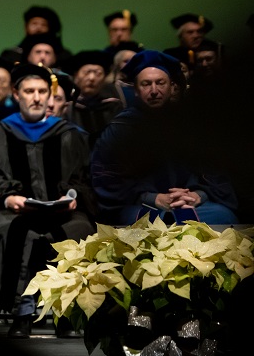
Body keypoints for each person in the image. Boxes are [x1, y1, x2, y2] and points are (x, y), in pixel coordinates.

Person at [0, 63, 96, 337]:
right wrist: (7, 198)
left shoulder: (68, 135)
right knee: (11, 229)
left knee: (79, 228)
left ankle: (68, 313)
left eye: (42, 91)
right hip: (15, 210)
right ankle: (21, 312)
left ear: (50, 96)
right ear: (16, 94)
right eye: (30, 91)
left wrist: (73, 196)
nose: (37, 97)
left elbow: (83, 178)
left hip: (61, 210)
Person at [91, 50, 240, 226]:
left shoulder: (193, 125)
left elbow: (216, 171)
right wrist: (152, 197)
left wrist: (198, 195)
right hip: (142, 205)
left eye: (160, 83)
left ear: (171, 86)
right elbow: (108, 179)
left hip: (192, 203)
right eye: (146, 84)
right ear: (136, 91)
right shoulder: (120, 129)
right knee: (136, 222)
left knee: (222, 216)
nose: (154, 91)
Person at [62, 50, 123, 147]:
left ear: (104, 79)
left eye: (98, 73)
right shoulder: (67, 108)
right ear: (76, 76)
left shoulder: (113, 105)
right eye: (86, 72)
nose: (92, 78)